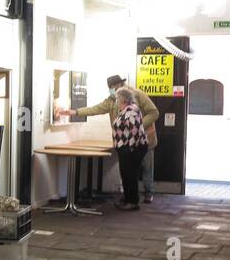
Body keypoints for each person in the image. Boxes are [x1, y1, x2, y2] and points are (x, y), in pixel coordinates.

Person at [58, 74, 159, 204]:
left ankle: (148, 193)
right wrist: (75, 112)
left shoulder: (136, 95)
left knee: (145, 167)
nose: (111, 89)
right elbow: (96, 109)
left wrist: (139, 125)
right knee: (127, 170)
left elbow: (154, 112)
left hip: (142, 140)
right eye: (110, 88)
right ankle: (129, 197)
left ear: (120, 85)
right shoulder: (112, 100)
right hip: (125, 143)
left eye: (113, 87)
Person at [111, 86, 149, 211]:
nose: (115, 101)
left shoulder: (131, 111)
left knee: (130, 174)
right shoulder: (125, 110)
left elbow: (135, 131)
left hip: (132, 148)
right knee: (126, 174)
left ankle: (133, 202)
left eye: (117, 98)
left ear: (123, 99)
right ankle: (128, 199)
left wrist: (130, 149)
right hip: (126, 147)